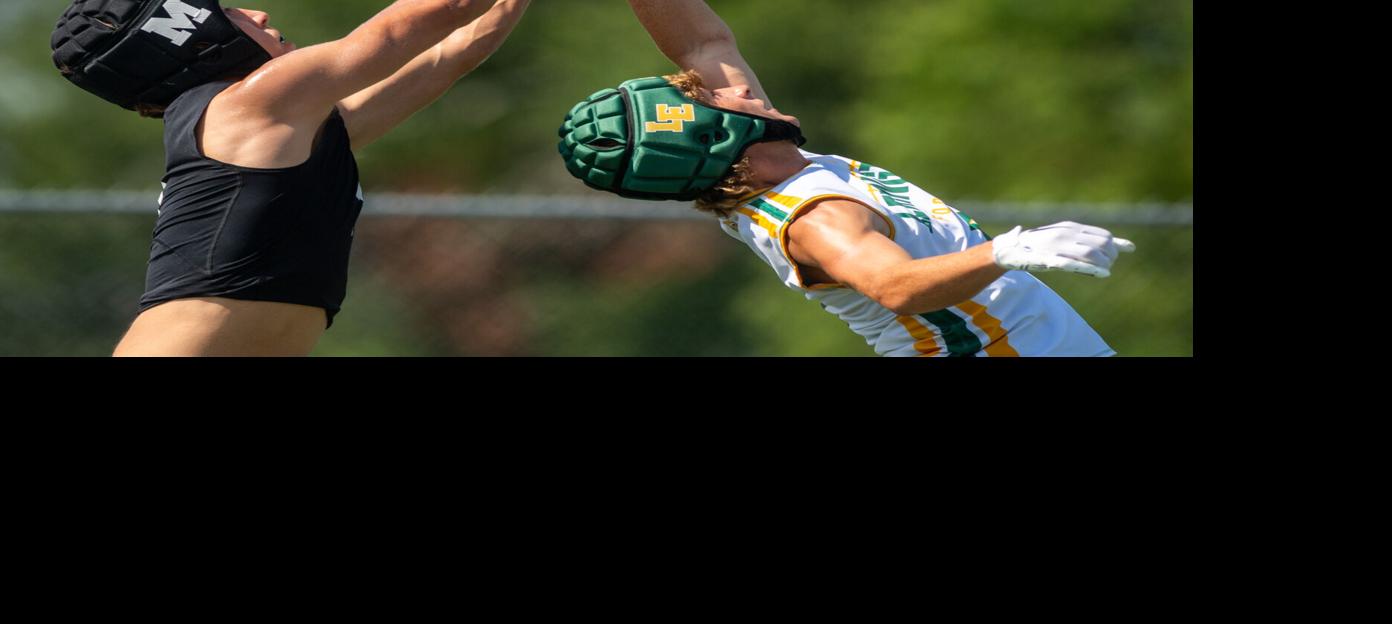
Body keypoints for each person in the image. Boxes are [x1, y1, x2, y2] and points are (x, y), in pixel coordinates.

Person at [557, 0, 1135, 357]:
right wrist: (1010, 249)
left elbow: (699, 39)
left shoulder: (770, 162)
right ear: (717, 137)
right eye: (718, 98)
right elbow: (895, 286)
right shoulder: (817, 216)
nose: (735, 87)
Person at [51, 0, 532, 356]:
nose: (257, 14)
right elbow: (430, 17)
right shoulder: (253, 102)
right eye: (228, 12)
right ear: (191, 39)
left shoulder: (280, 125)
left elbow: (452, 54)